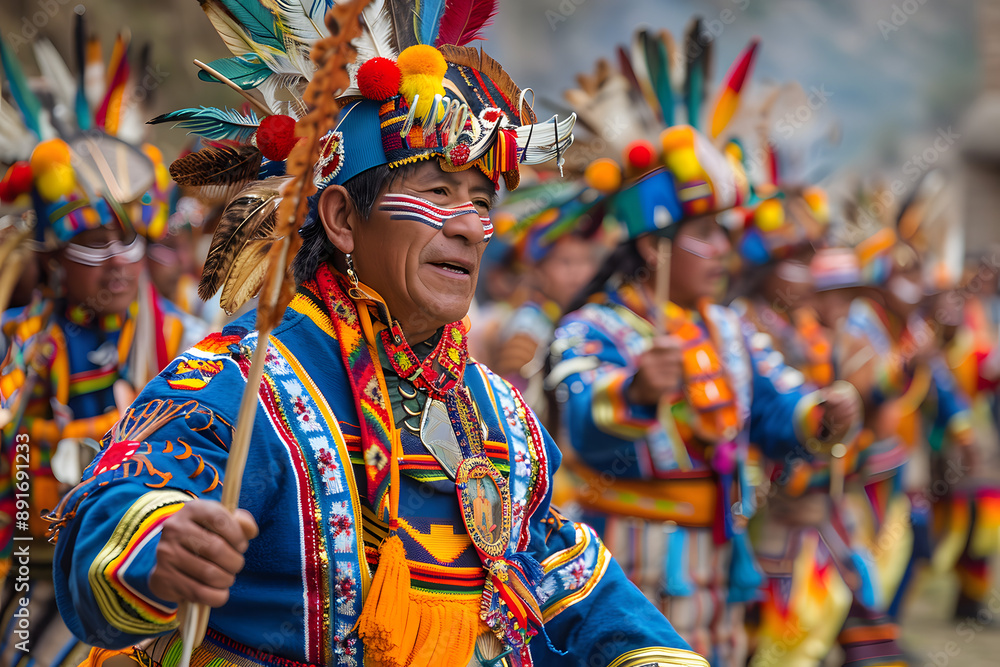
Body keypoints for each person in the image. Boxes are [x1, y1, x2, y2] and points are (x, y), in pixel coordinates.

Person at [49, 2, 710, 666]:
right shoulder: (247, 383)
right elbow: (109, 513)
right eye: (437, 192)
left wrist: (651, 652)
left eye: (480, 202)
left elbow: (557, 570)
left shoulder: (499, 414)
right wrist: (157, 543)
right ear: (341, 217)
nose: (467, 224)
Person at [544, 27, 862, 666]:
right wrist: (633, 392)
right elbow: (581, 425)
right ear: (654, 245)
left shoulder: (731, 330)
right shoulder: (591, 332)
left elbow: (777, 405)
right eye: (705, 235)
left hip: (719, 555)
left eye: (724, 234)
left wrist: (821, 412)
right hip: (626, 557)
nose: (724, 250)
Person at [0, 15, 203, 666]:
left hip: (153, 571)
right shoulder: (20, 345)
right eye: (92, 243)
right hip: (35, 566)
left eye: (130, 240)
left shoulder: (184, 342)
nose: (118, 262)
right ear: (54, 258)